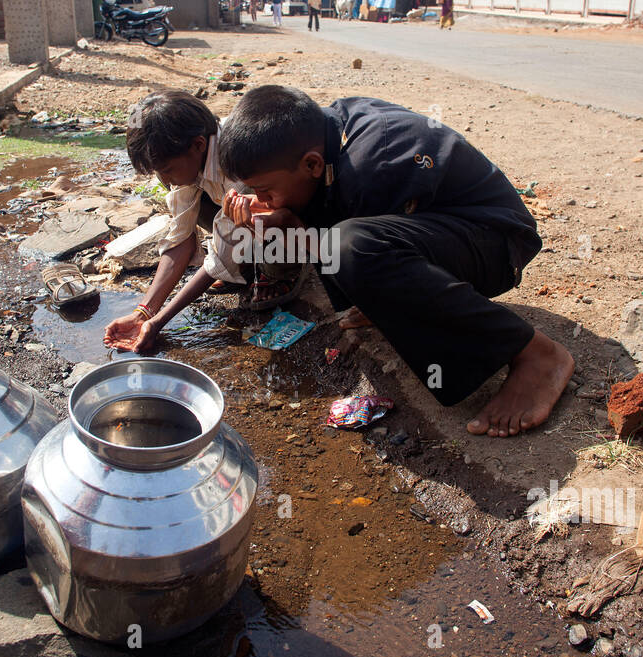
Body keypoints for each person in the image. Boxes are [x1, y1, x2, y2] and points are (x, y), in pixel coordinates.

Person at [217, 86, 574, 438]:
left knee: (350, 247)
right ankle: (392, 303)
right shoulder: (324, 136)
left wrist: (295, 228)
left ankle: (534, 354)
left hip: (498, 245)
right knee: (347, 245)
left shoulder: (371, 163)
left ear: (311, 164)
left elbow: (356, 245)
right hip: (446, 232)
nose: (260, 200)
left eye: (264, 191)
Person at [102, 90, 301, 353]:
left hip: (296, 227)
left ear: (197, 145)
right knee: (201, 205)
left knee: (262, 237)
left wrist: (160, 321)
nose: (165, 179)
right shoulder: (197, 157)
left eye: (167, 170)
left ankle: (281, 274)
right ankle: (244, 269)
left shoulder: (239, 166)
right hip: (241, 216)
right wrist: (143, 313)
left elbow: (220, 254)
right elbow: (180, 238)